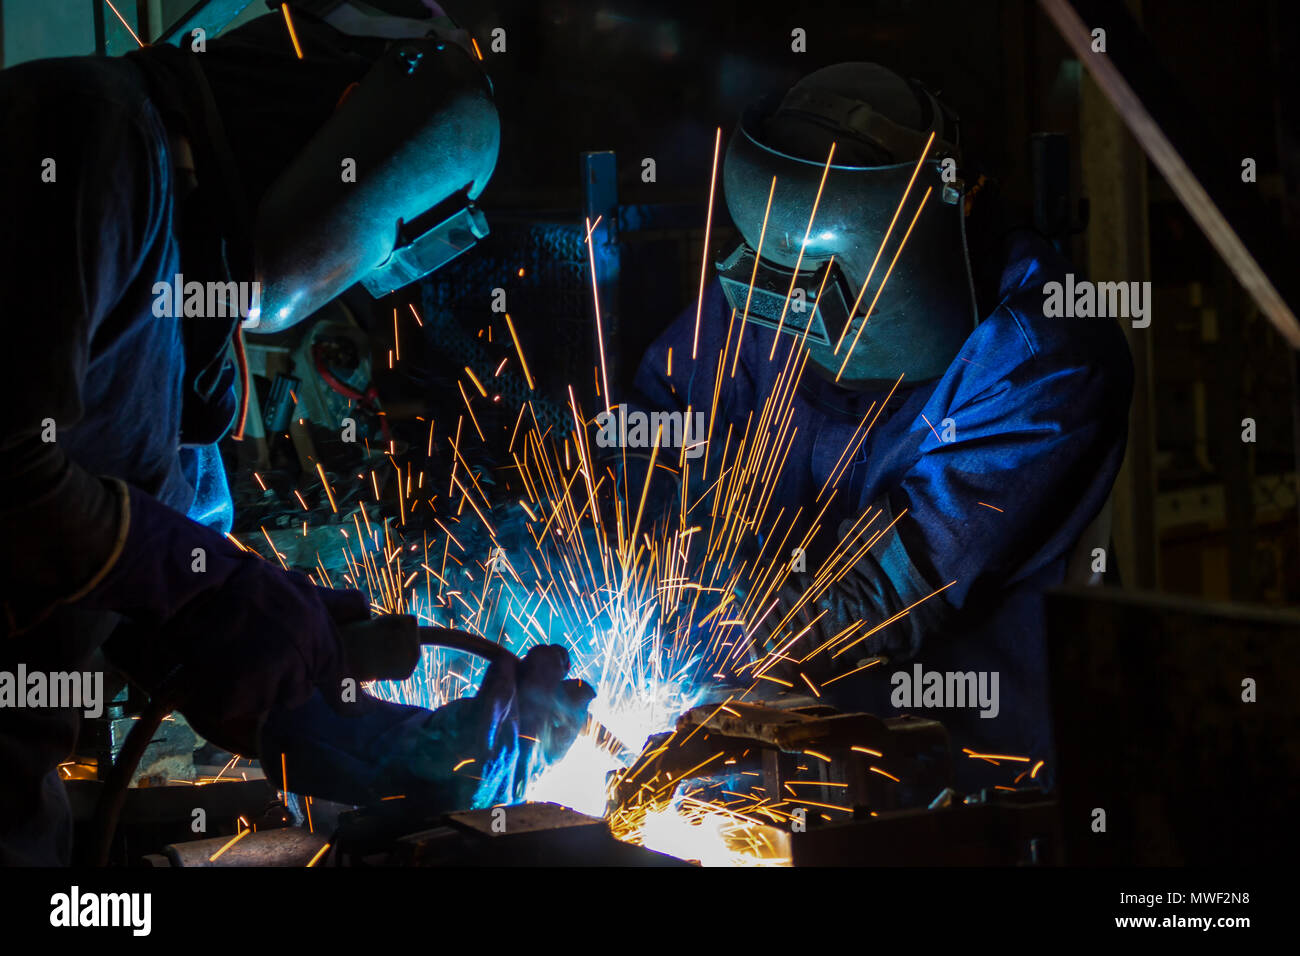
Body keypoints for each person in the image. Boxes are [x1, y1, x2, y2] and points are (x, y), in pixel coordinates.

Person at [0, 2, 577, 865]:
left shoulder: (198, 308)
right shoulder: (80, 132)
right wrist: (218, 588)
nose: (363, 269)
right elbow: (11, 473)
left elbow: (175, 629)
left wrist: (410, 746)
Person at [627, 63, 1134, 792]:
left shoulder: (1046, 358)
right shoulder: (778, 272)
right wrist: (649, 563)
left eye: (812, 291)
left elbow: (874, 599)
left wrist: (715, 646)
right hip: (787, 765)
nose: (782, 312)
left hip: (977, 778)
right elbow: (656, 432)